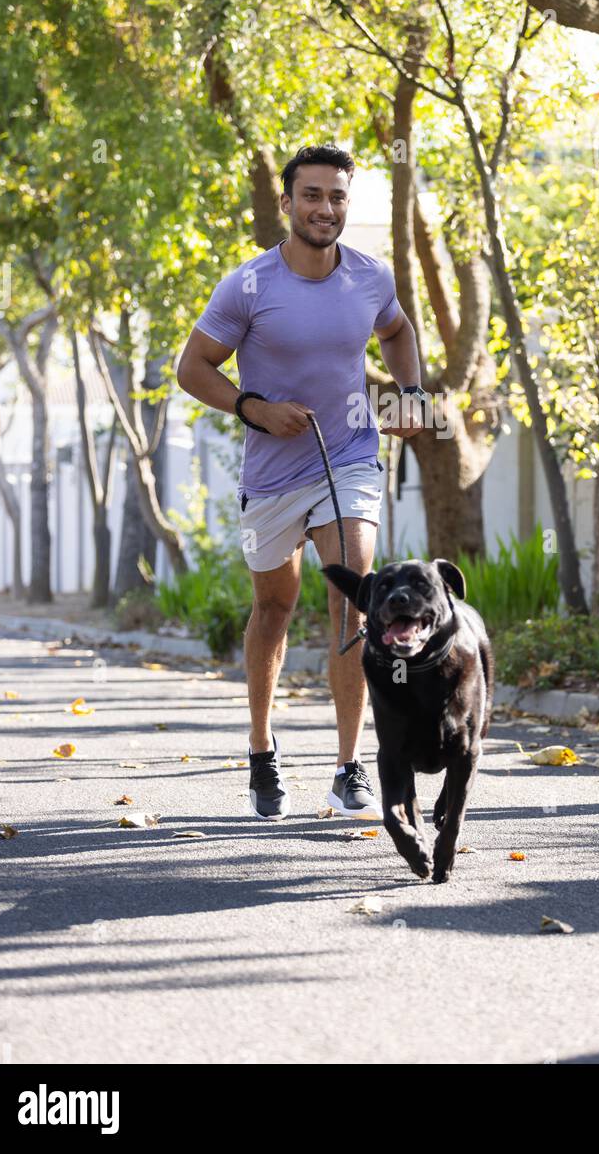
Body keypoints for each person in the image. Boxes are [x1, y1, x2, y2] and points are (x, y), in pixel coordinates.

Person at [176, 143, 426, 821]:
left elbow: (399, 331)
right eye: (311, 195)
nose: (325, 208)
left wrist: (409, 397)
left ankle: (349, 767)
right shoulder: (249, 285)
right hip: (271, 473)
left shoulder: (370, 278)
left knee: (354, 597)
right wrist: (253, 408)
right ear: (286, 204)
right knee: (274, 608)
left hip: (347, 457)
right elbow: (193, 366)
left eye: (337, 196)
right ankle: (261, 748)